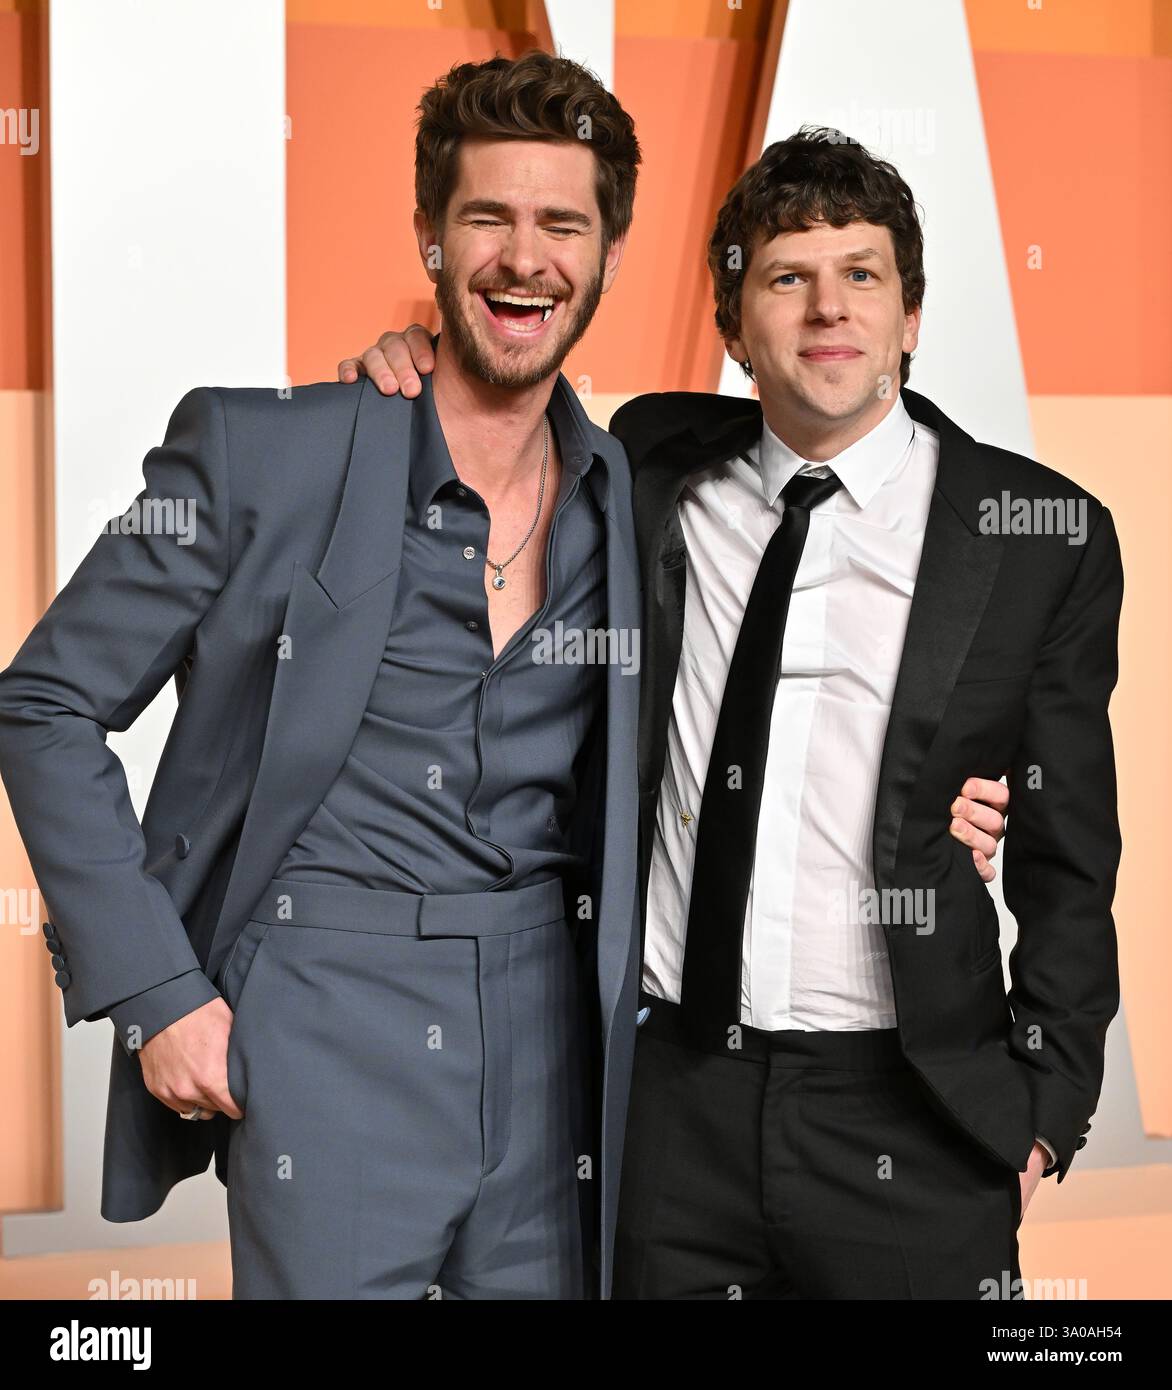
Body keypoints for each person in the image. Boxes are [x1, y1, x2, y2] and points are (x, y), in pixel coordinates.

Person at [338, 127, 1120, 1299]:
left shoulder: (1034, 534)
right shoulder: (645, 465)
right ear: (732, 324)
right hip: (670, 1102)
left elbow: (1069, 855)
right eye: (785, 278)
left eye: (862, 275)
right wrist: (417, 357)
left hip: (912, 1112)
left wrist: (1043, 1108)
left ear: (910, 316)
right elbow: (493, 411)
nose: (827, 310)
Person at [0, 51, 646, 1299]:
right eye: (487, 218)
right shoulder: (261, 451)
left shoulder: (631, 488)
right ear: (429, 237)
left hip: (555, 1037)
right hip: (322, 1013)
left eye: (562, 223)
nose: (526, 257)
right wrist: (156, 987)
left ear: (608, 252)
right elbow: (43, 698)